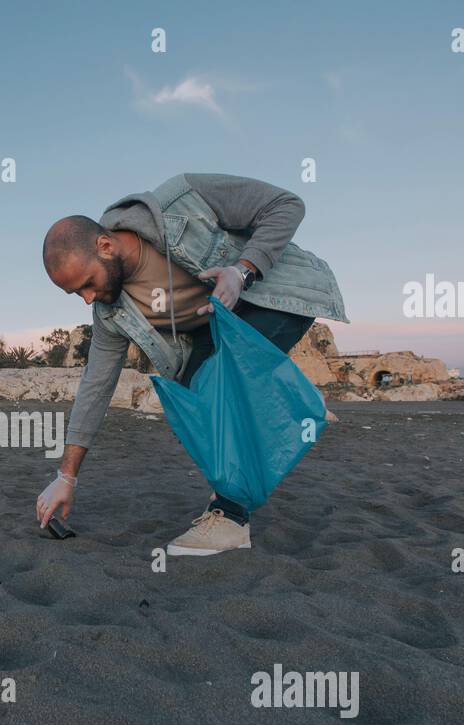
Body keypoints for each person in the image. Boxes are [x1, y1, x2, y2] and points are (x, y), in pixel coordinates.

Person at [36, 173, 348, 555]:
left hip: (275, 295)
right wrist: (66, 476)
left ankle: (230, 518)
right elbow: (95, 387)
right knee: (193, 396)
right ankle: (236, 498)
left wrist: (242, 270)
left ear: (105, 245)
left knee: (219, 384)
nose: (87, 299)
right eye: (76, 293)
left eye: (86, 283)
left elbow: (287, 205)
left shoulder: (182, 200)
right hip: (214, 330)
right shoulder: (109, 311)